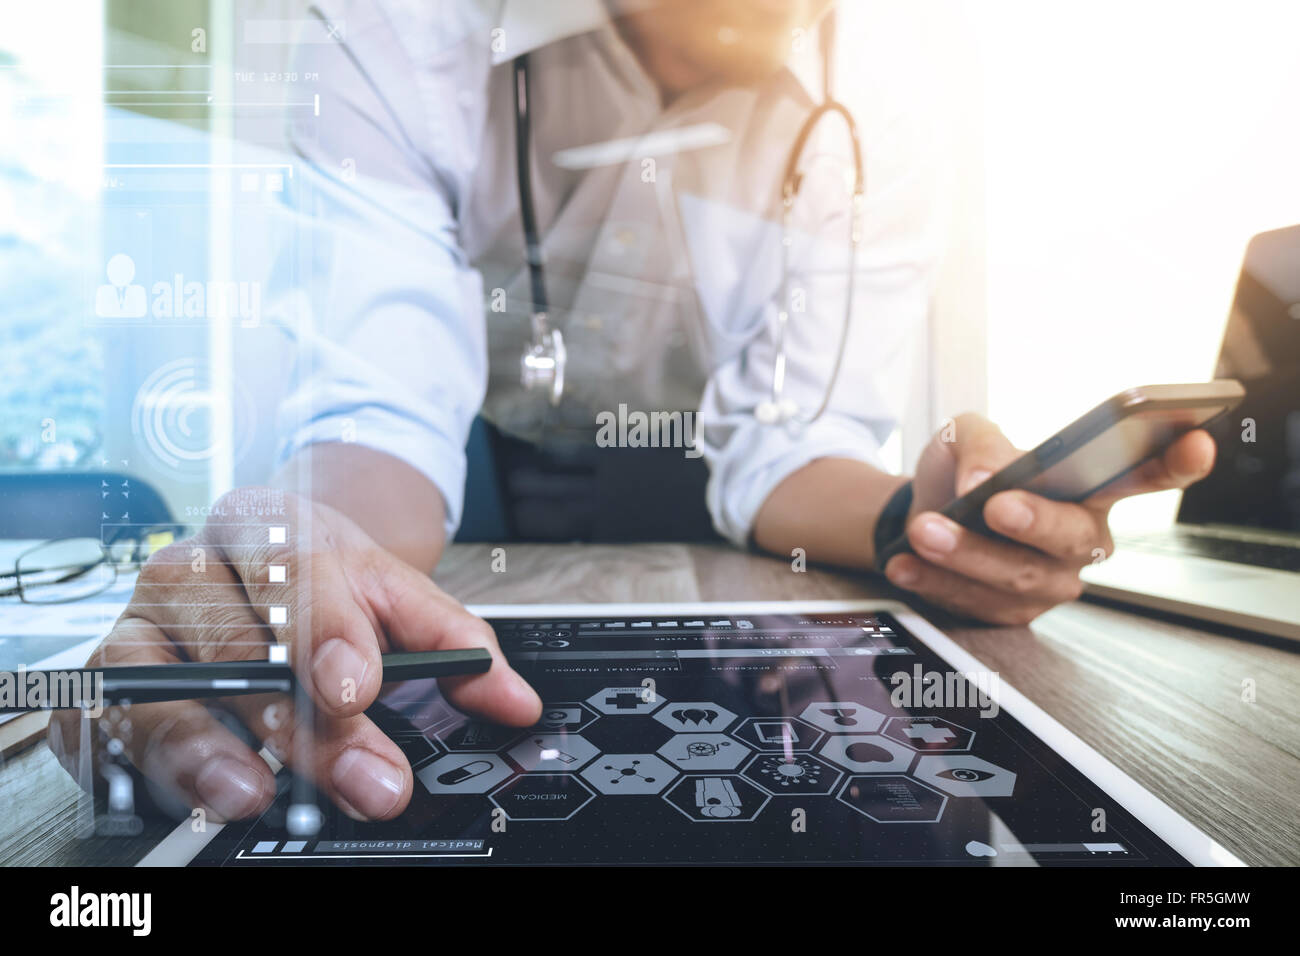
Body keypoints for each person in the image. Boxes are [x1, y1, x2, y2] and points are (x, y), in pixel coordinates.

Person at [52, 0, 1217, 825]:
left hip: (714, 481)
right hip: (480, 459)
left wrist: (926, 520)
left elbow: (788, 441)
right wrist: (305, 557)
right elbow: (385, 412)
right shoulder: (392, 28)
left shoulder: (894, 77)